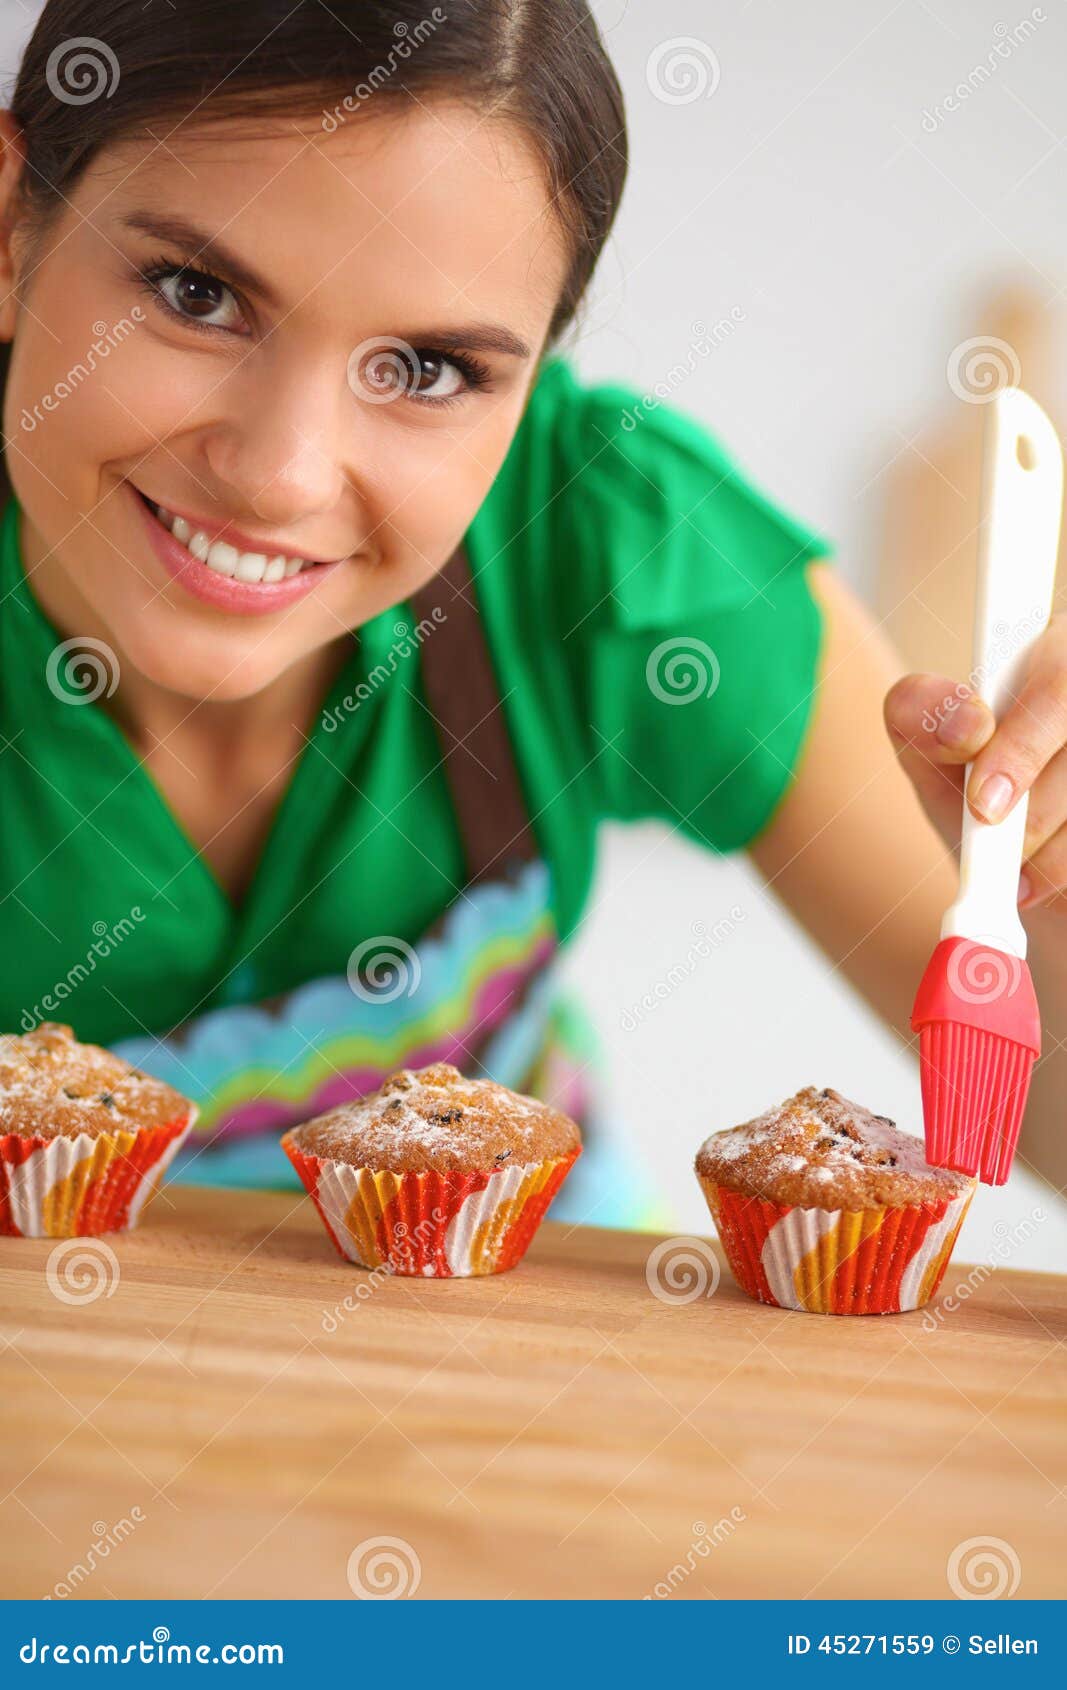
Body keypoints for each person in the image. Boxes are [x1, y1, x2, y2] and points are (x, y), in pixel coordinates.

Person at [2, 0, 1065, 1223]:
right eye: (195, 293)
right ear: (10, 230)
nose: (282, 474)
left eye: (427, 369)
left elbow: (1042, 1111)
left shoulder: (604, 540)